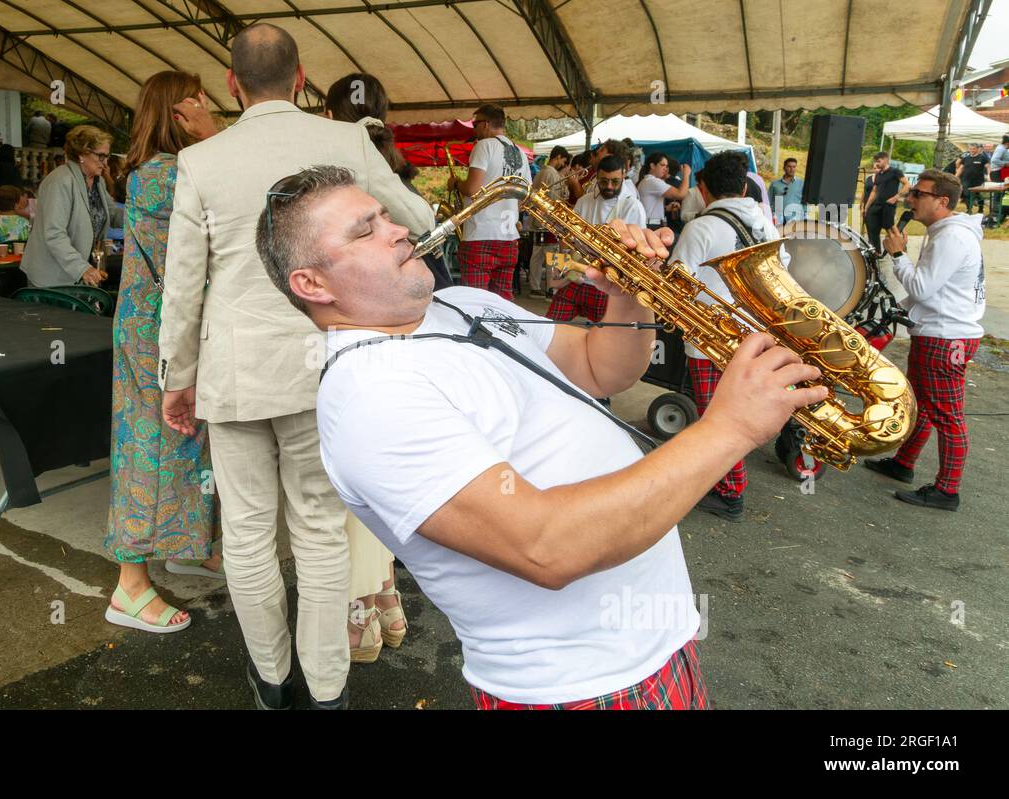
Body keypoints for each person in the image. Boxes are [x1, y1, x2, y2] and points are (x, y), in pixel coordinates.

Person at [260, 165, 827, 709]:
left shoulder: (459, 303)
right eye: (368, 230)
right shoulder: (368, 395)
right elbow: (548, 547)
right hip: (579, 686)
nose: (400, 229)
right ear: (311, 283)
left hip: (650, 647)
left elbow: (600, 366)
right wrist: (731, 426)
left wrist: (627, 295)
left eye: (386, 215)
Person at [157, 23, 434, 711]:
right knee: (317, 525)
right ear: (302, 77)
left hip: (235, 371)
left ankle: (273, 681)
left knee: (247, 533)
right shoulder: (344, 141)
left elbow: (182, 284)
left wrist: (177, 377)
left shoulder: (202, 161)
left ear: (231, 83)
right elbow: (420, 221)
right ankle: (329, 686)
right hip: (329, 365)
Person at [100, 71, 224, 635]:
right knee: (148, 453)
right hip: (157, 338)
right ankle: (128, 587)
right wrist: (216, 134)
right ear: (178, 111)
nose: (207, 106)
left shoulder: (168, 170)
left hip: (165, 331)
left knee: (184, 447)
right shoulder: (165, 175)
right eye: (196, 100)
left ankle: (186, 545)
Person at [322, 72, 417, 660]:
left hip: (345, 323)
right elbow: (420, 219)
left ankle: (359, 611)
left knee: (345, 470)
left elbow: (417, 216)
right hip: (392, 330)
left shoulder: (341, 148)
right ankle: (384, 594)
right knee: (373, 464)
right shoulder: (383, 151)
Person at [670, 150, 788, 521]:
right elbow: (783, 271)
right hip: (754, 336)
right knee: (734, 411)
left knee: (715, 416)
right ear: (743, 186)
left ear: (703, 188)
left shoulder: (701, 227)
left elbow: (678, 280)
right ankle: (725, 481)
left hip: (710, 338)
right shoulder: (765, 223)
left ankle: (730, 491)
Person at [866, 170, 985, 511]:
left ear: (942, 201)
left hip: (945, 337)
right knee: (922, 405)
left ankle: (948, 490)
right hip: (941, 332)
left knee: (947, 416)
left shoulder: (951, 238)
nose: (910, 198)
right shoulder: (949, 232)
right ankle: (904, 463)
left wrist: (898, 255)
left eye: (919, 193)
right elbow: (936, 289)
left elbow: (921, 288)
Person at [322, 72, 450, 295]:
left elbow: (421, 224)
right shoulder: (392, 169)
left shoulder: (334, 167)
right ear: (384, 113)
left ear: (329, 116)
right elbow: (424, 224)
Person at [546, 155, 646, 326]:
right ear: (596, 176)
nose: (609, 186)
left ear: (623, 175)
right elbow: (567, 237)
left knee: (610, 337)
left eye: (615, 182)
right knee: (549, 325)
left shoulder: (633, 206)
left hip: (609, 285)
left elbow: (638, 251)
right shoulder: (585, 201)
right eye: (604, 181)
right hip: (576, 277)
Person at [447, 103, 531, 299]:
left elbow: (472, 189)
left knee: (475, 300)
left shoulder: (484, 146)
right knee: (502, 301)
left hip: (480, 235)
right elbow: (524, 196)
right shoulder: (520, 153)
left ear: (485, 124)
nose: (474, 130)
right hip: (509, 238)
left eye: (475, 125)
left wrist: (456, 183)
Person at [19, 125, 112, 287]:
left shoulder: (98, 182)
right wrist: (82, 268)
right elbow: (54, 234)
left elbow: (113, 212)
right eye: (101, 156)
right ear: (82, 154)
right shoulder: (60, 181)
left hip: (80, 274)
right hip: (52, 277)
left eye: (107, 156)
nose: (105, 163)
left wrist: (144, 216)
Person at [525, 146, 583, 298]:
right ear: (557, 157)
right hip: (548, 221)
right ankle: (552, 288)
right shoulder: (550, 174)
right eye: (563, 161)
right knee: (553, 255)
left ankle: (536, 286)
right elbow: (553, 200)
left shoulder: (541, 173)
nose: (563, 165)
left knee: (538, 256)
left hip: (538, 221)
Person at [863, 152, 908, 252]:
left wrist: (896, 197)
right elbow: (874, 192)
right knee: (873, 230)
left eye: (879, 161)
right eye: (876, 161)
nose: (877, 164)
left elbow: (907, 185)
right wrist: (866, 208)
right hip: (876, 206)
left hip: (888, 206)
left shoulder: (895, 171)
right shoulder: (878, 174)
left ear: (886, 160)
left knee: (891, 231)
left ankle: (901, 250)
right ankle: (876, 253)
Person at [637, 152, 691, 228]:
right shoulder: (652, 181)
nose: (665, 168)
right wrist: (686, 175)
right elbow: (680, 194)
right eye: (662, 165)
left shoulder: (647, 181)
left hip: (651, 224)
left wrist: (666, 208)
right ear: (652, 166)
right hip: (652, 226)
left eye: (666, 166)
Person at [955, 142, 989, 215]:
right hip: (966, 179)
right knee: (966, 194)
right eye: (970, 149)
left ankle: (980, 209)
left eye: (973, 149)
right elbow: (961, 168)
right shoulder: (966, 158)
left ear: (977, 149)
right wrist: (955, 176)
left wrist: (989, 175)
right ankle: (969, 210)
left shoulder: (982, 157)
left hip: (978, 180)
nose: (972, 150)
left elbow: (988, 166)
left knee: (977, 195)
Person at [768, 157, 805, 224]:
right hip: (778, 219)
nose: (792, 169)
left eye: (794, 167)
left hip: (795, 219)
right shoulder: (775, 184)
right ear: (784, 168)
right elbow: (768, 201)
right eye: (789, 166)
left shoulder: (801, 183)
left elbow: (806, 202)